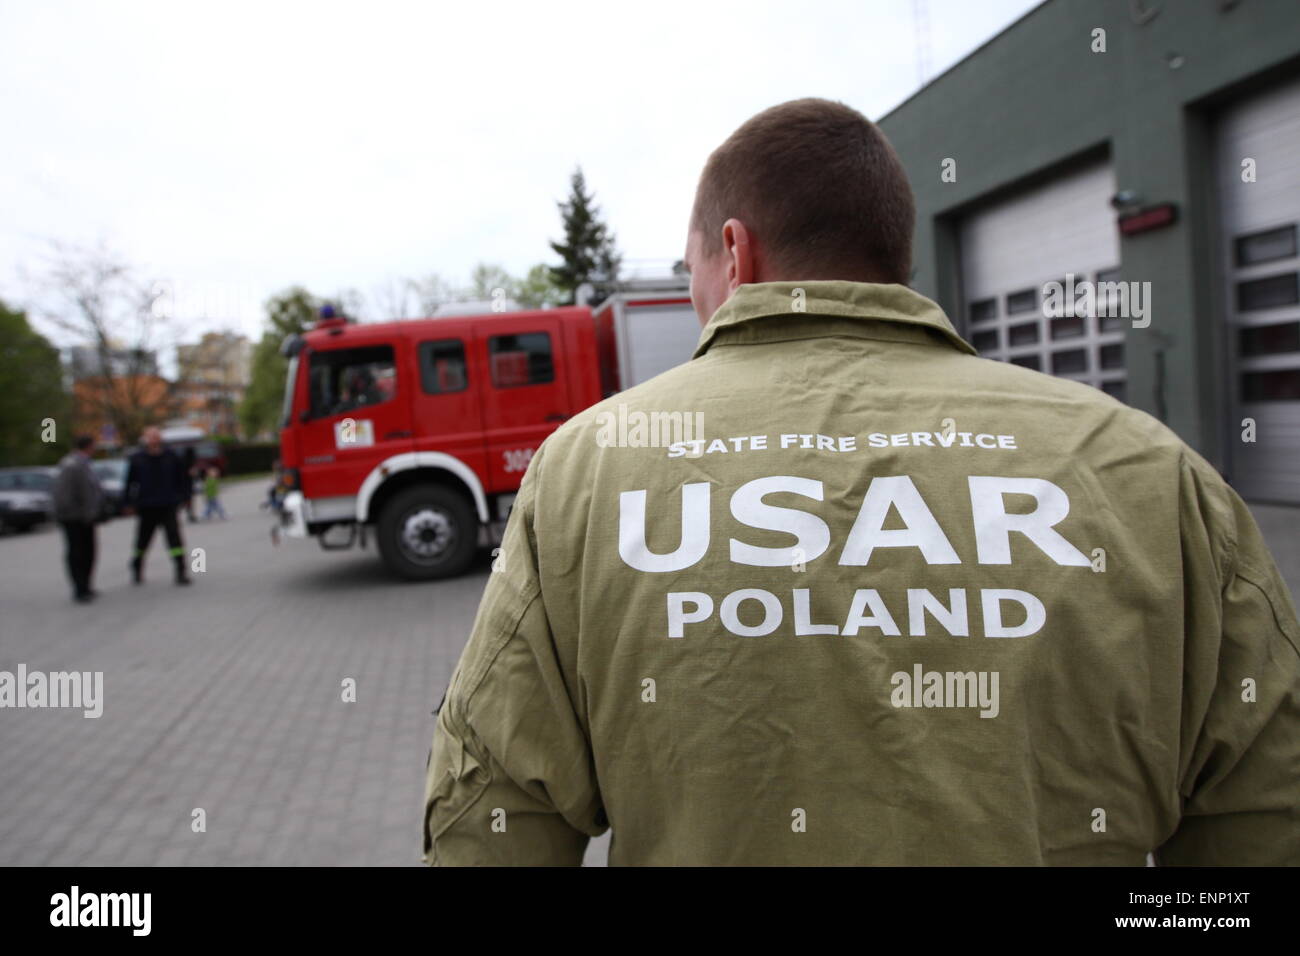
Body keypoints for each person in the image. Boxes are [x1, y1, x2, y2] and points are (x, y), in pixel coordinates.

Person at [422, 99, 1300, 866]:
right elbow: (1265, 811)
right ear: (892, 254)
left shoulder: (584, 474)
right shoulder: (1144, 467)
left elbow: (490, 821)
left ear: (735, 252)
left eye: (691, 271)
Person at [125, 426, 191, 586]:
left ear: (160, 438)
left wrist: (185, 497)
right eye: (150, 436)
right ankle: (137, 567)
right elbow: (129, 483)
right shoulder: (137, 458)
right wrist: (128, 503)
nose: (154, 439)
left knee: (174, 539)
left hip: (168, 505)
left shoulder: (171, 456)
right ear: (145, 439)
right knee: (142, 541)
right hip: (147, 506)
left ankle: (180, 571)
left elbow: (182, 478)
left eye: (156, 436)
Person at [52, 434, 103, 603]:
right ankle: (79, 589)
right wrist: (74, 513)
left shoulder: (84, 463)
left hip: (86, 517)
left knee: (89, 552)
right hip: (74, 518)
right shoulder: (71, 465)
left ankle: (86, 586)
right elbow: (64, 494)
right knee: (77, 553)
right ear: (88, 446)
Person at [179, 446, 198, 522]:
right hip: (187, 484)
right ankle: (190, 515)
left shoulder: (181, 460)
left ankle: (189, 515)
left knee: (183, 500)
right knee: (188, 500)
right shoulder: (190, 462)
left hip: (181, 484)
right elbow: (192, 473)